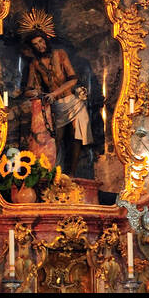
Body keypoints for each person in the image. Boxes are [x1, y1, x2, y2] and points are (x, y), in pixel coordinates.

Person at [18, 11, 92, 177]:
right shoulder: (34, 64)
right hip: (56, 106)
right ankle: (56, 173)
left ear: (46, 40)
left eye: (41, 42)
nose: (40, 46)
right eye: (36, 45)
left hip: (73, 101)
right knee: (57, 139)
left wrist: (54, 92)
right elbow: (28, 90)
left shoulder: (60, 54)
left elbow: (73, 79)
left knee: (76, 136)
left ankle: (72, 173)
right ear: (32, 47)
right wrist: (35, 92)